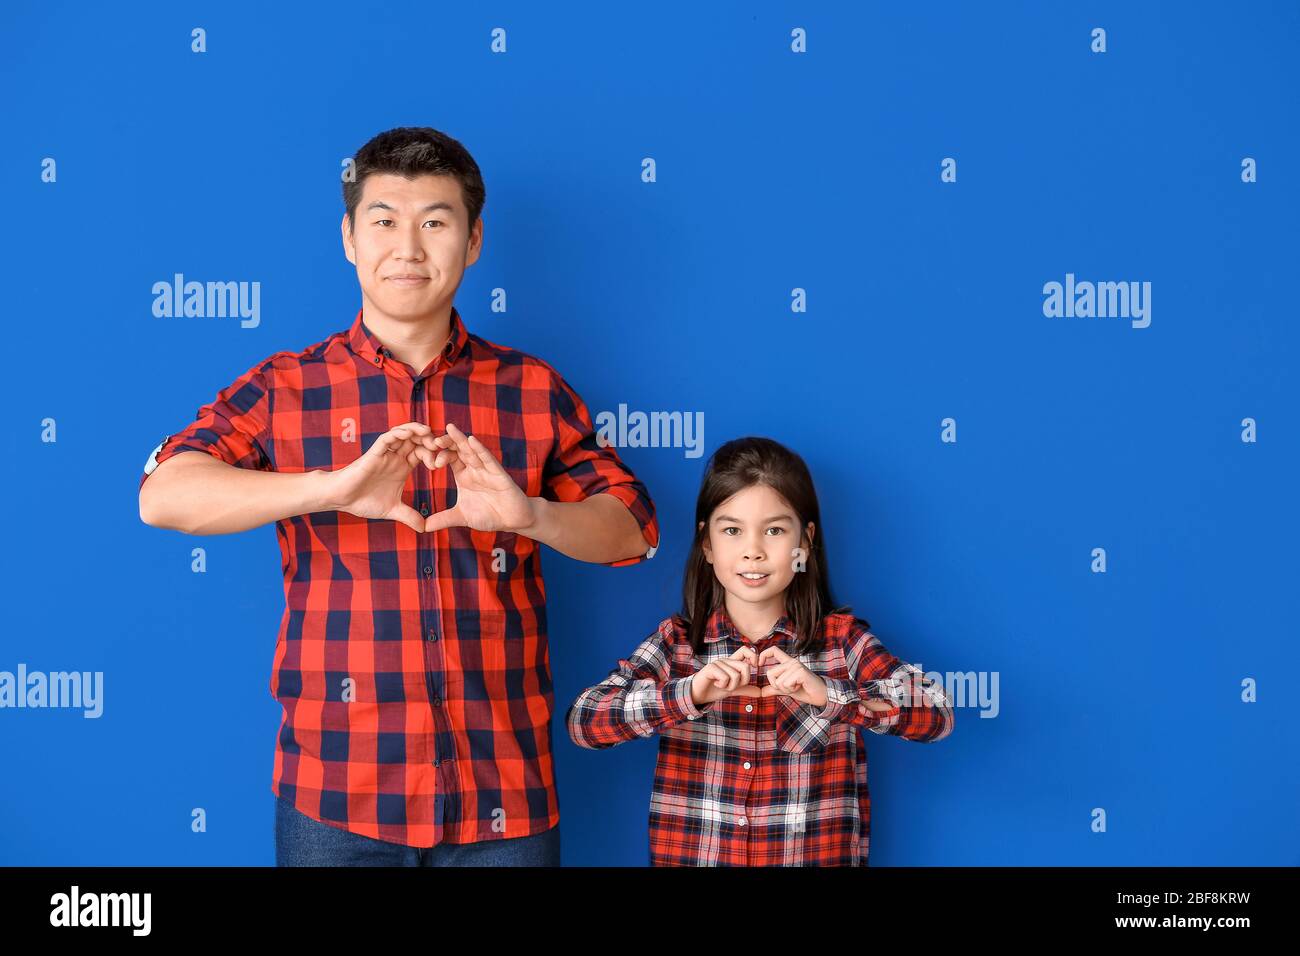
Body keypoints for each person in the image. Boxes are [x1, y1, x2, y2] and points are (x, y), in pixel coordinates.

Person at [138, 126, 660, 867]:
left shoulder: (532, 388)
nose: (408, 247)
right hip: (337, 791)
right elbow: (162, 494)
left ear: (473, 241)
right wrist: (331, 489)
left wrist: (531, 516)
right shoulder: (288, 386)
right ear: (349, 238)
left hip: (503, 793)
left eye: (435, 222)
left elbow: (634, 529)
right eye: (383, 220)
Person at [566, 436, 954, 866]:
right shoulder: (677, 644)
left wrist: (830, 695)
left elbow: (936, 712)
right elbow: (585, 722)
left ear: (804, 541)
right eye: (732, 530)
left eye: (774, 530)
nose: (753, 549)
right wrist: (688, 694)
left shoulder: (841, 642)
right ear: (708, 544)